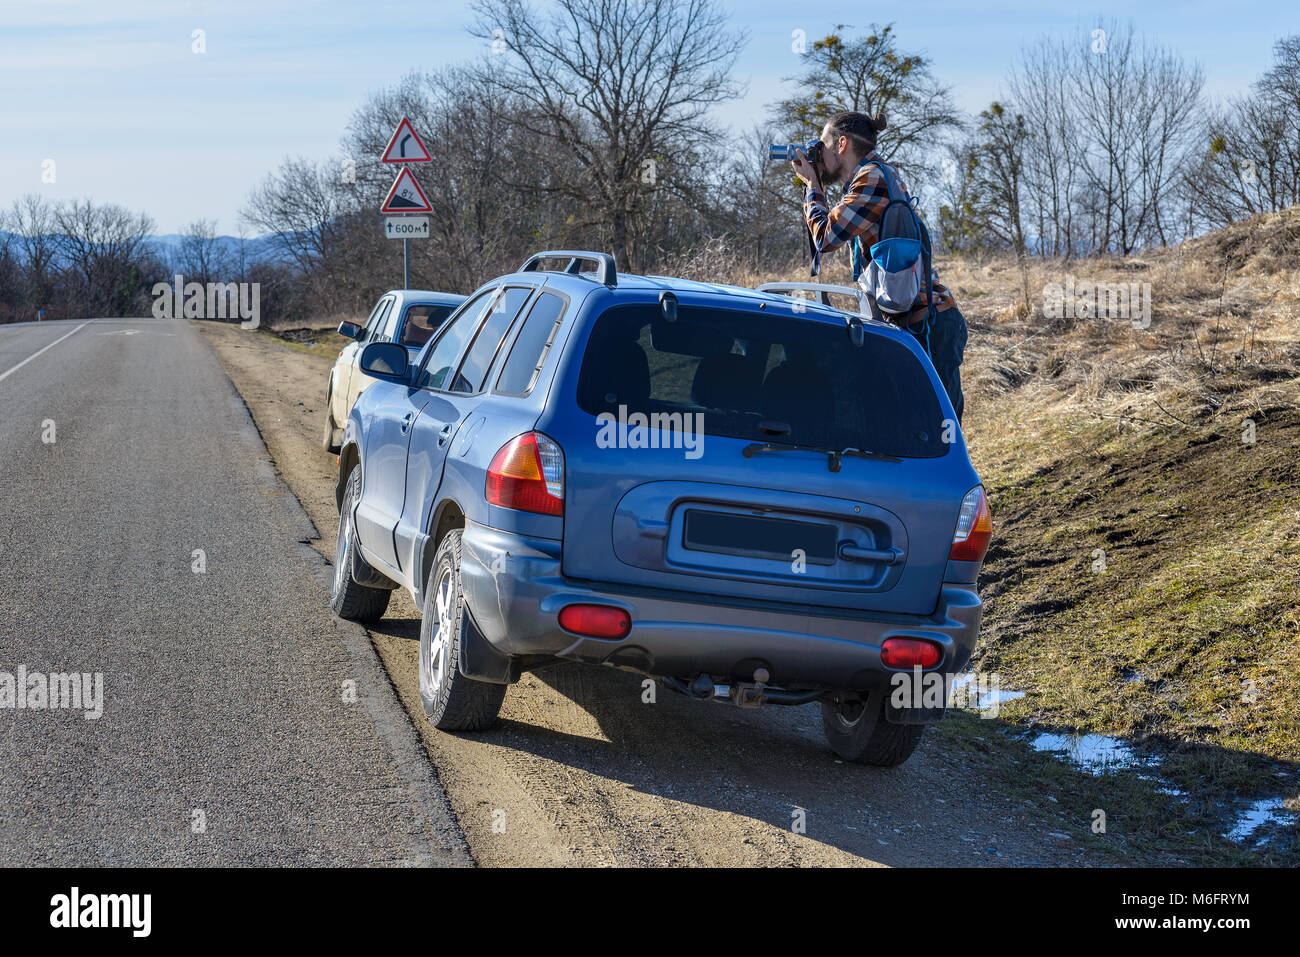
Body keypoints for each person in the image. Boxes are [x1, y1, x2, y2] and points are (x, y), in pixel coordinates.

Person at [792, 111, 968, 422]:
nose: (819, 153)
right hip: (922, 320)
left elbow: (826, 237)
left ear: (842, 144)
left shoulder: (871, 177)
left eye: (823, 146)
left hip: (926, 323)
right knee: (917, 430)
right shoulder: (879, 174)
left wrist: (813, 187)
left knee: (935, 435)